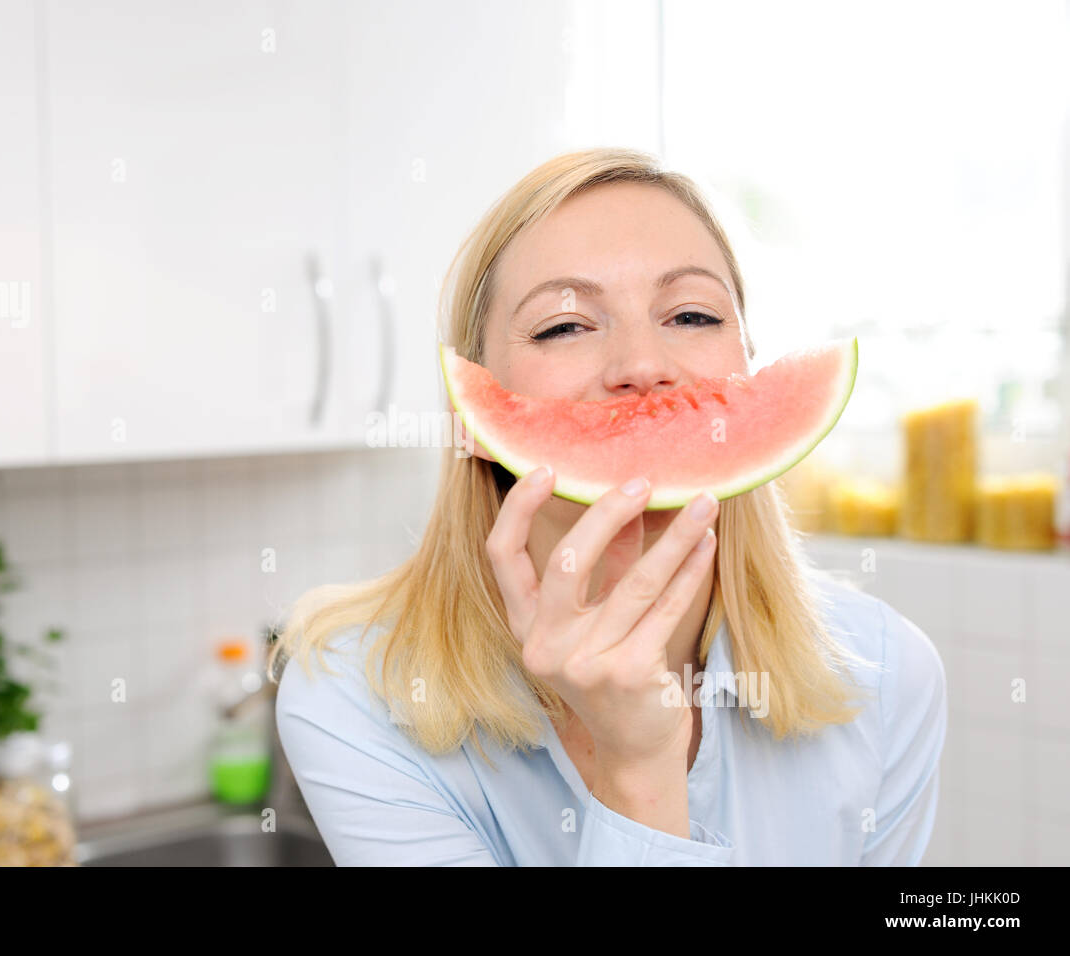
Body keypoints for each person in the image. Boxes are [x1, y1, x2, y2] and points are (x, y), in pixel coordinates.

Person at [268, 147, 947, 866]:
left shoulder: (885, 673)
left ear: (746, 362)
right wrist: (637, 769)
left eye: (691, 314)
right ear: (471, 411)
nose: (642, 368)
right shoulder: (351, 693)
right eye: (564, 325)